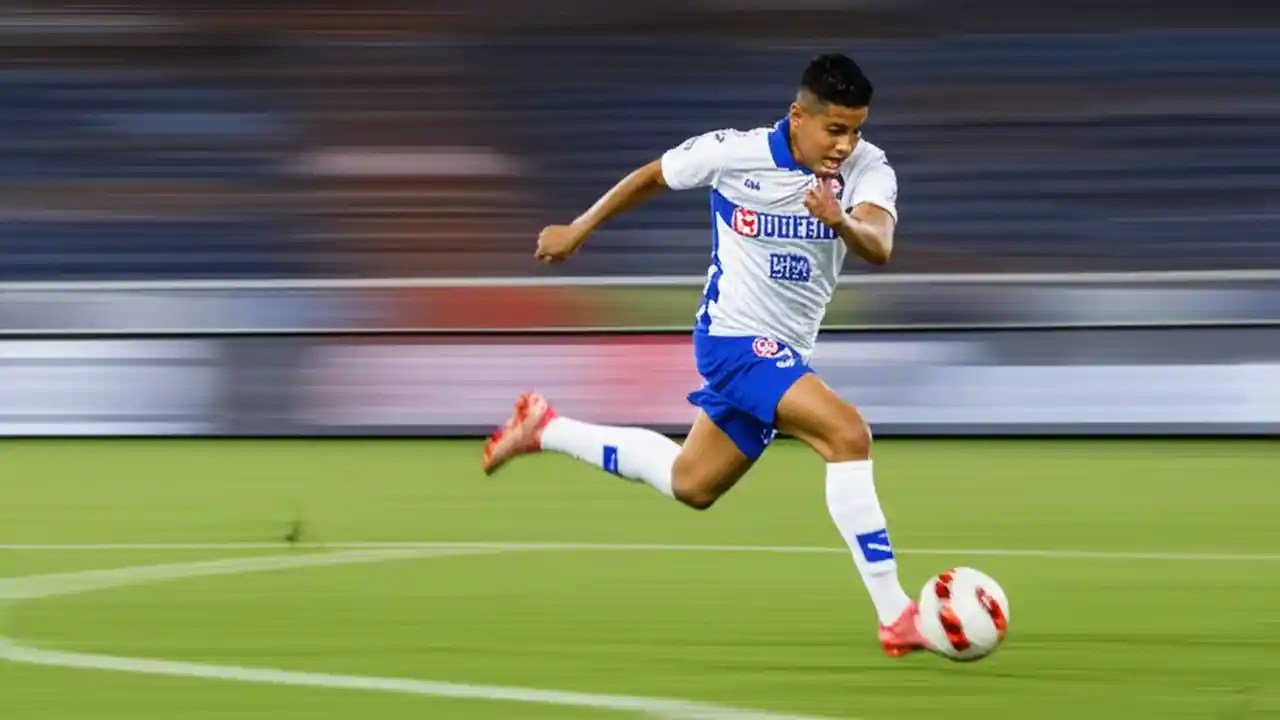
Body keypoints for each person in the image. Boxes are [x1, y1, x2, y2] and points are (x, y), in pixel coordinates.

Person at [481, 53, 928, 656]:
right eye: (835, 129)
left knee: (691, 483)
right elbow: (652, 175)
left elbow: (878, 244)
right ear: (799, 117)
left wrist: (839, 220)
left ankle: (545, 428)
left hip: (784, 352)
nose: (846, 144)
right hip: (732, 342)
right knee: (848, 435)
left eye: (856, 129)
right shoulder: (732, 153)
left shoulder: (869, 170)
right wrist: (577, 229)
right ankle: (895, 613)